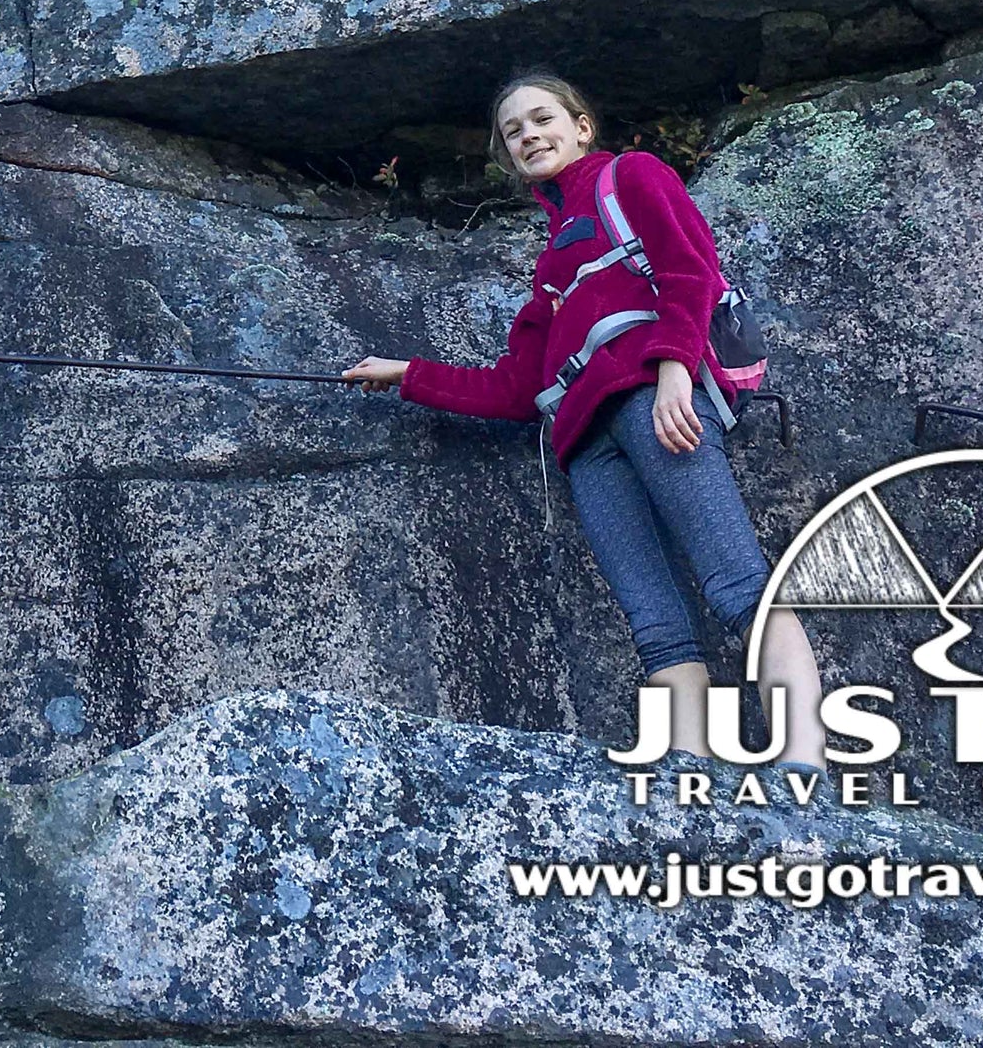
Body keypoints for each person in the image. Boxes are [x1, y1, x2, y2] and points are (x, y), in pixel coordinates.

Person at [343, 72, 824, 766]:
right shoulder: (550, 275)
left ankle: (806, 764)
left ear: (580, 127)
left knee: (741, 587)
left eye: (542, 120)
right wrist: (407, 375)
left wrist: (672, 377)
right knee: (656, 627)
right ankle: (689, 782)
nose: (529, 136)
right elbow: (514, 390)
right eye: (514, 132)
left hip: (652, 402)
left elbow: (690, 270)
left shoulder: (632, 177)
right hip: (585, 447)